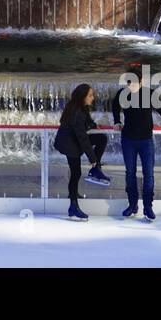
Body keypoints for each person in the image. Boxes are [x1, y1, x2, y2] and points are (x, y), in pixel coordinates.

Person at [111, 63, 161, 221]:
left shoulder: (149, 94)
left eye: (134, 82)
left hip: (146, 141)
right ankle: (132, 205)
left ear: (141, 81)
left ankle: (148, 207)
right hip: (128, 140)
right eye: (129, 82)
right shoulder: (122, 94)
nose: (131, 85)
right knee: (130, 174)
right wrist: (117, 120)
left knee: (149, 174)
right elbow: (114, 106)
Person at [53, 83, 112, 221]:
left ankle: (95, 170)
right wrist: (93, 159)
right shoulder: (76, 112)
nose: (93, 98)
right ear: (83, 97)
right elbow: (83, 139)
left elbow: (86, 124)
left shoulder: (81, 107)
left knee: (101, 138)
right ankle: (73, 206)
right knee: (76, 173)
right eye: (90, 95)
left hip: (74, 140)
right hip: (69, 144)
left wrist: (92, 125)